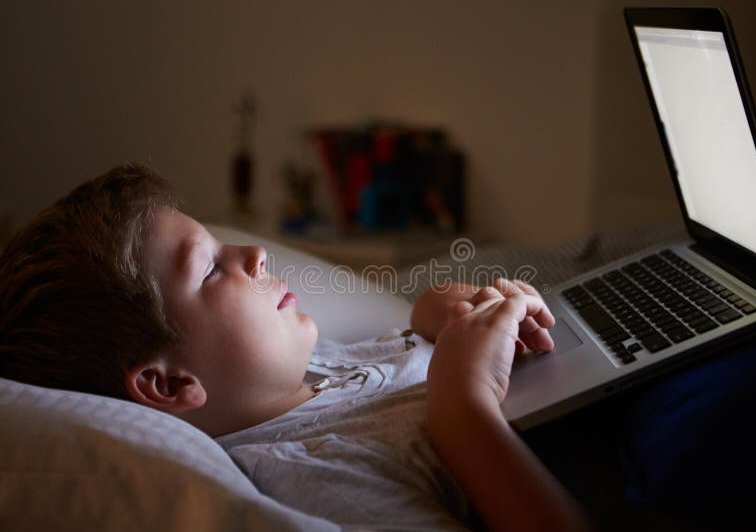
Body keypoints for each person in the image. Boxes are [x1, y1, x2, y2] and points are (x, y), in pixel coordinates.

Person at [0, 164, 590, 531]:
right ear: (171, 384)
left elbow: (392, 355)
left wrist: (431, 318)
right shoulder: (310, 474)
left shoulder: (307, 366)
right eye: (208, 270)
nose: (253, 255)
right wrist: (464, 403)